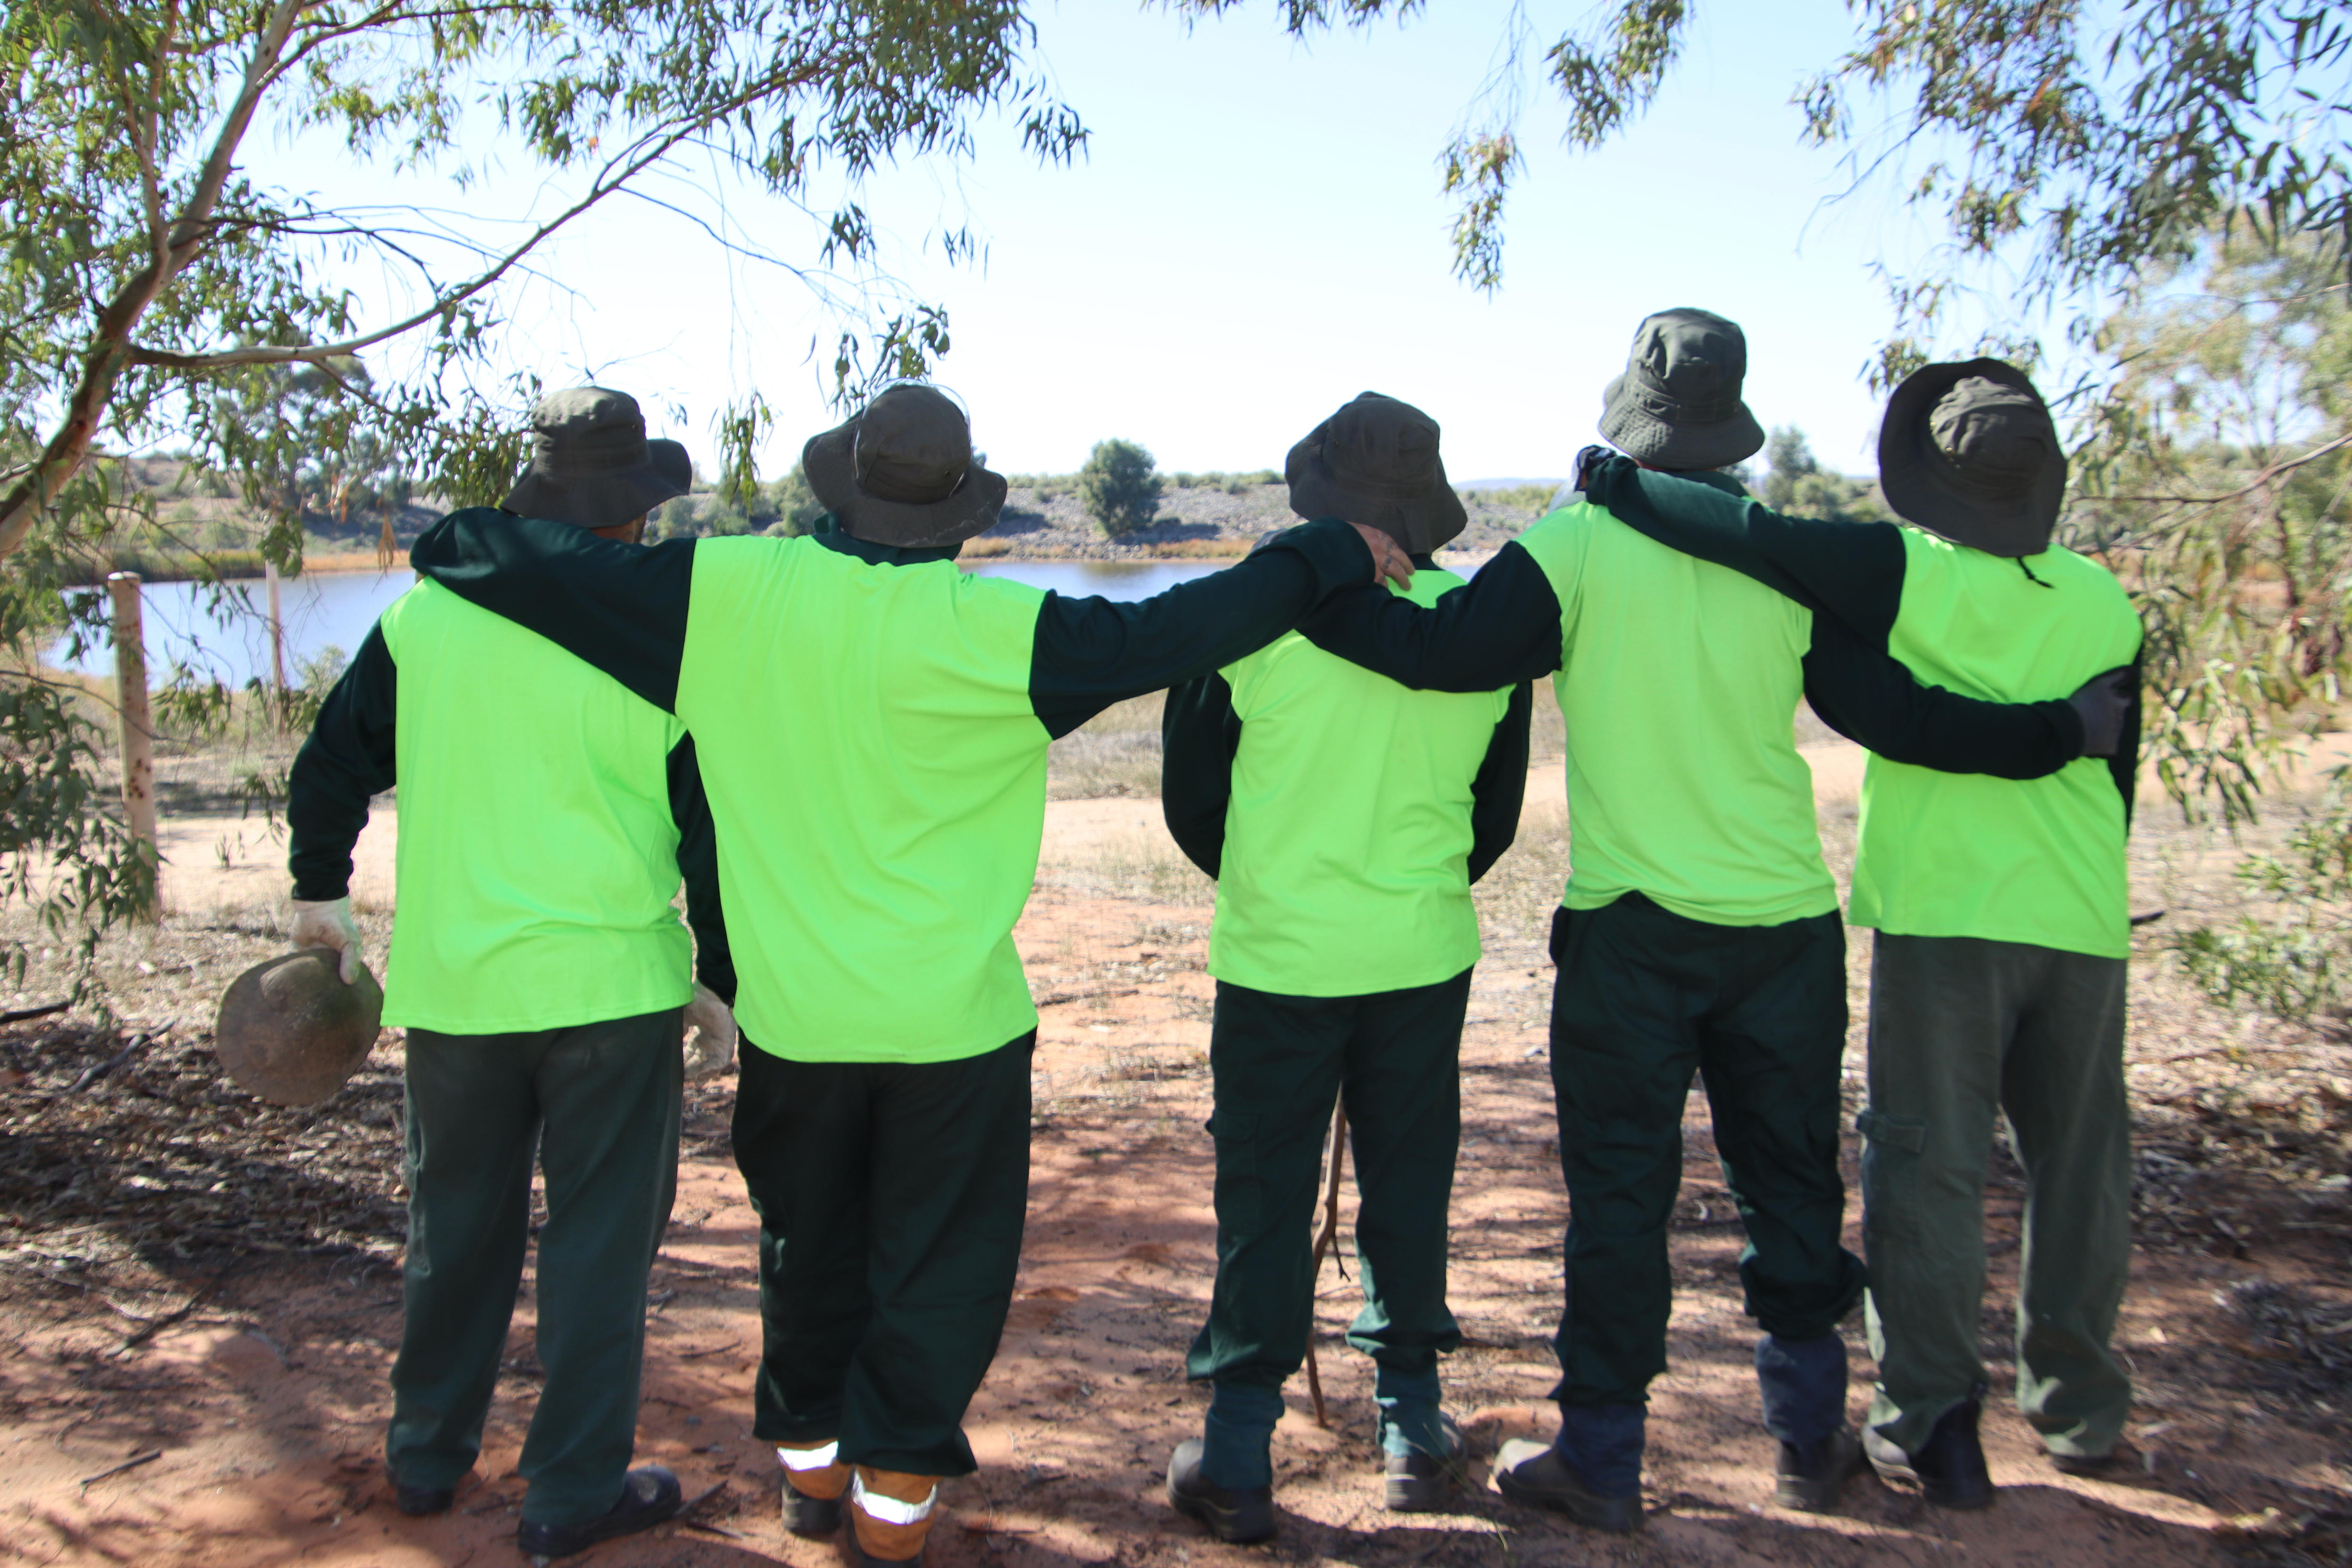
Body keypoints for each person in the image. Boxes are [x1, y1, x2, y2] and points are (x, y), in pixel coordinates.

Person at [402, 382, 1413, 1567]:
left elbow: (526, 564)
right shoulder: (1004, 635)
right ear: (957, 513)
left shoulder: (725, 594)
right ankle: (893, 1517)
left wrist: (450, 534)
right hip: (955, 1030)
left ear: (842, 485)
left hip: (793, 1022)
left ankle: (812, 1481)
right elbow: (1182, 629)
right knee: (937, 1268)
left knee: (806, 1247)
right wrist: (1322, 553)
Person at [1292, 310, 2130, 1530]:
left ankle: (1603, 1454)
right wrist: (2060, 731)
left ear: (1628, 406)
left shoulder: (1575, 542)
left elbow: (1445, 652)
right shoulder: (1782, 563)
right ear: (1734, 423)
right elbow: (1900, 719)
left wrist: (1306, 589)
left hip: (1630, 934)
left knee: (1620, 1200)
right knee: (1792, 1189)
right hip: (1783, 929)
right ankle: (1807, 1441)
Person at [1581, 358, 2143, 1508]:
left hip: (1945, 912)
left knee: (1928, 1169)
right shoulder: (2104, 598)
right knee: (2081, 1168)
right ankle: (2080, 1411)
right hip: (2081, 912)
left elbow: (1742, 532)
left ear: (1931, 475)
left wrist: (1611, 481)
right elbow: (2121, 766)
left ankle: (1934, 1424)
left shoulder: (1903, 570)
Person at [285, 387, 738, 1561]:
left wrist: (320, 893)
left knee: (456, 1229)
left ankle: (426, 1458)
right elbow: (709, 833)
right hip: (611, 992)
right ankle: (571, 1488)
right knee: (595, 1248)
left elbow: (328, 764)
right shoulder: (664, 640)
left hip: (458, 993)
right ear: (629, 518)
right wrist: (722, 974)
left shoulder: (424, 621)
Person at [1158, 393, 1531, 1541]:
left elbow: (1191, 799)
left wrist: (1273, 879)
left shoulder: (1252, 622)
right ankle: (1411, 1424)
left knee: (1262, 1194)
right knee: (1409, 1180)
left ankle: (1235, 1450)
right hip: (1421, 954)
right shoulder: (1480, 637)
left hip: (1278, 956)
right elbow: (1495, 820)